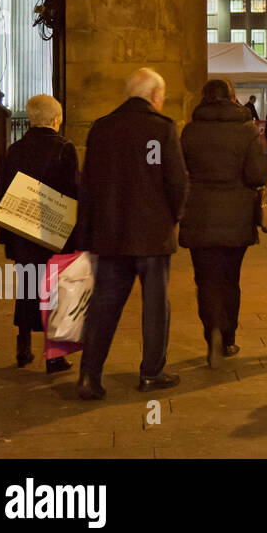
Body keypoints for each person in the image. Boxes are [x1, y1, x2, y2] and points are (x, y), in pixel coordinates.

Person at [74, 68, 189, 400]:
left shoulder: (102, 128)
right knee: (155, 305)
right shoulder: (162, 129)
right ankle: (151, 373)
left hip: (111, 235)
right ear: (155, 95)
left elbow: (89, 185)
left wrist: (89, 231)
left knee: (104, 304)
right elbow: (177, 182)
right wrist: (172, 217)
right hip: (152, 235)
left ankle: (89, 375)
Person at [180, 78, 267, 368]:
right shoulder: (246, 130)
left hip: (200, 215)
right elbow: (257, 176)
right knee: (230, 278)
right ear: (233, 99)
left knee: (206, 279)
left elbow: (181, 172)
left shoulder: (190, 131)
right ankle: (228, 336)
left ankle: (212, 332)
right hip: (236, 216)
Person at [0, 94, 79, 373]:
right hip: (55, 232)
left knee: (28, 285)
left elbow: (3, 191)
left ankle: (23, 345)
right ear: (56, 118)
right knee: (54, 290)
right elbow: (72, 191)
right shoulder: (64, 148)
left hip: (22, 232)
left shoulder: (15, 149)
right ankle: (54, 356)